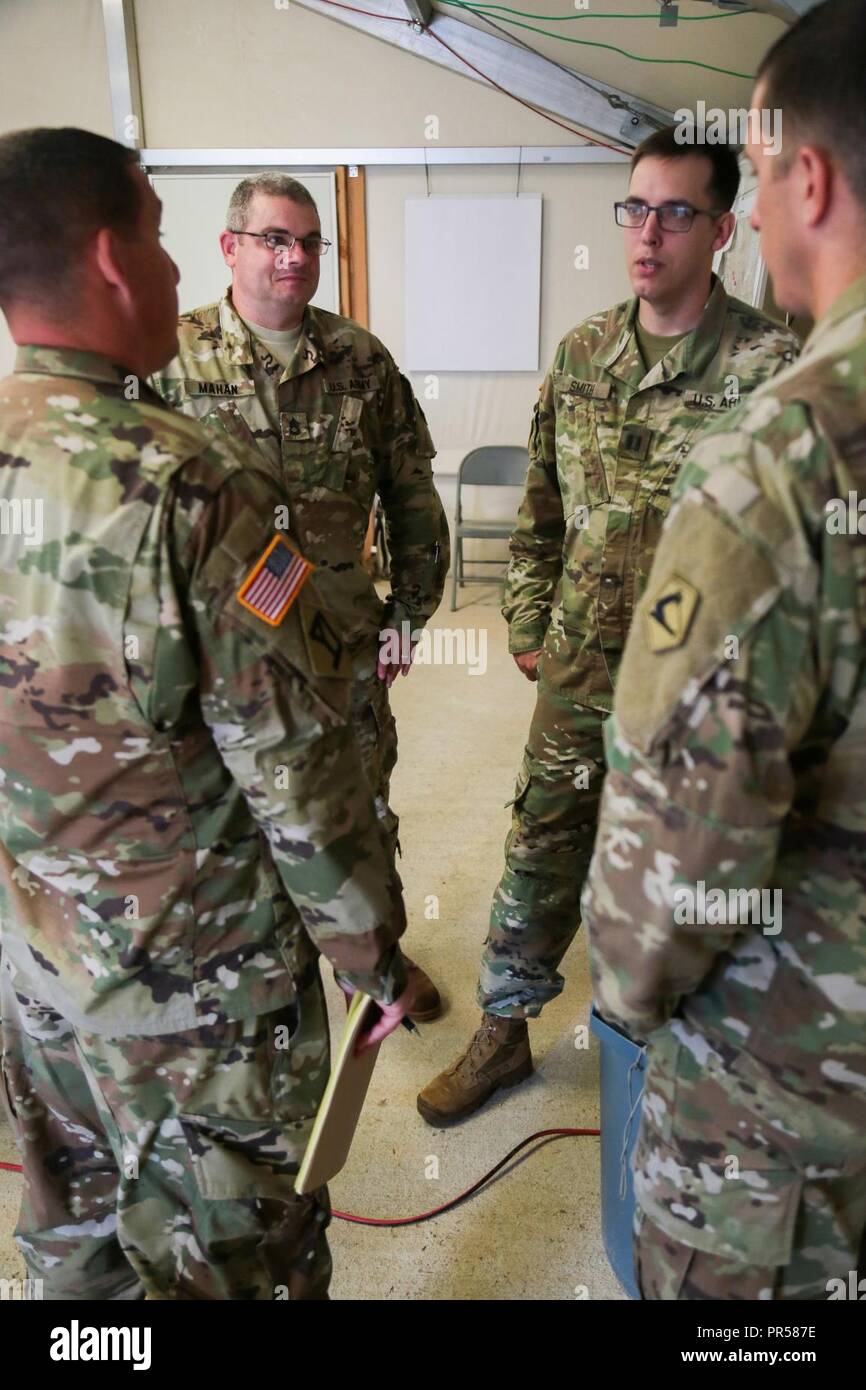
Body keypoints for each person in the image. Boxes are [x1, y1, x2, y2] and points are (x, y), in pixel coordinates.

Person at [0, 126, 413, 1301]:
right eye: (161, 237)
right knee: (235, 1257)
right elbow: (293, 765)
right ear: (113, 260)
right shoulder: (193, 483)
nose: (179, 272)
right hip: (202, 991)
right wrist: (372, 951)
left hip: (38, 972)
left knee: (75, 1247)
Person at [419, 127, 801, 1126]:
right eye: (634, 208)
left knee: (681, 865)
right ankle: (505, 1025)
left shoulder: (767, 369)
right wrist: (528, 618)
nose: (648, 232)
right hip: (581, 665)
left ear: (720, 230)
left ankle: (671, 1052)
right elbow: (538, 505)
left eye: (676, 212)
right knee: (542, 840)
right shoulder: (583, 352)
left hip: (696, 687)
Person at [582, 0, 866, 1300]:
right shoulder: (584, 359)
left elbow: (673, 856)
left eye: (747, 181)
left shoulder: (783, 449)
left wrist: (631, 993)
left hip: (792, 1118)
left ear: (803, 178)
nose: (747, 216)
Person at [150, 174, 450, 1021]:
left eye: (311, 242)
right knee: (236, 819)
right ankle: (270, 981)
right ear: (230, 248)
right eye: (277, 239)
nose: (296, 257)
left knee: (361, 809)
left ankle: (378, 963)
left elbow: (412, 494)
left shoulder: (359, 358)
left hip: (343, 640)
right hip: (223, 653)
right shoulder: (171, 361)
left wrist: (409, 615)